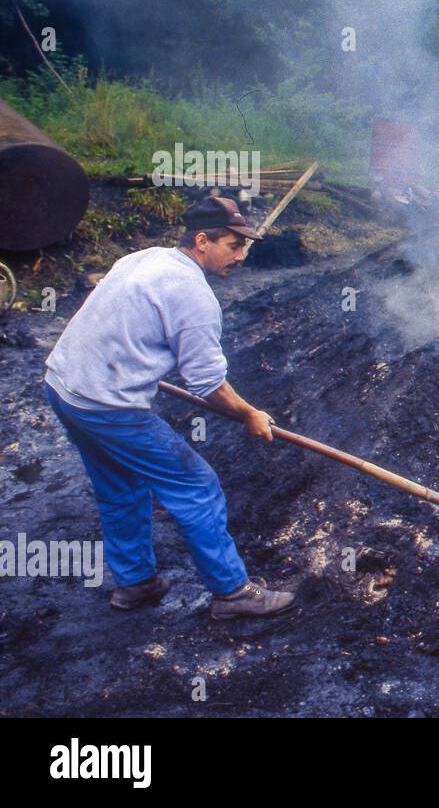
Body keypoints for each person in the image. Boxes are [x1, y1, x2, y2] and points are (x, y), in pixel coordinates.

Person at [43, 195, 295, 620]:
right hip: (109, 406)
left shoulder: (145, 258)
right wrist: (249, 413)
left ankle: (136, 584)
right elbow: (208, 384)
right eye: (234, 246)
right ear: (202, 240)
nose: (241, 257)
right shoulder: (193, 295)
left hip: (64, 386)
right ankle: (233, 593)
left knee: (120, 488)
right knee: (196, 486)